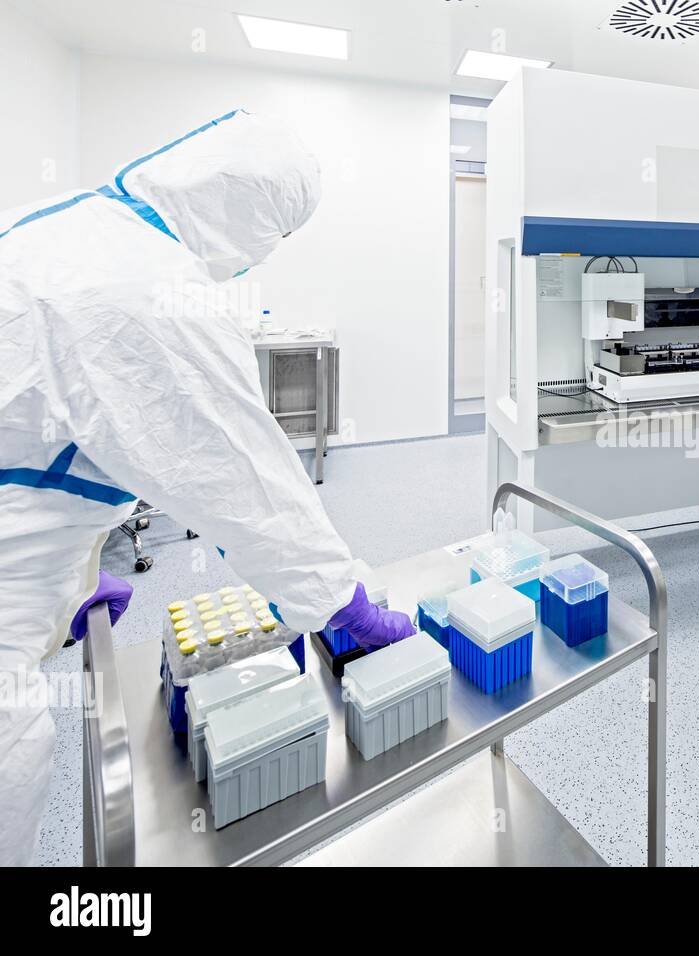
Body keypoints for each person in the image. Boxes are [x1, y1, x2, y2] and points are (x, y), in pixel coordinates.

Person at [0, 109, 413, 866]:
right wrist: (338, 600)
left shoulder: (66, 228)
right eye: (279, 235)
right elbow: (243, 484)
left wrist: (67, 580)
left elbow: (41, 434)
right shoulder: (148, 290)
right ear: (250, 212)